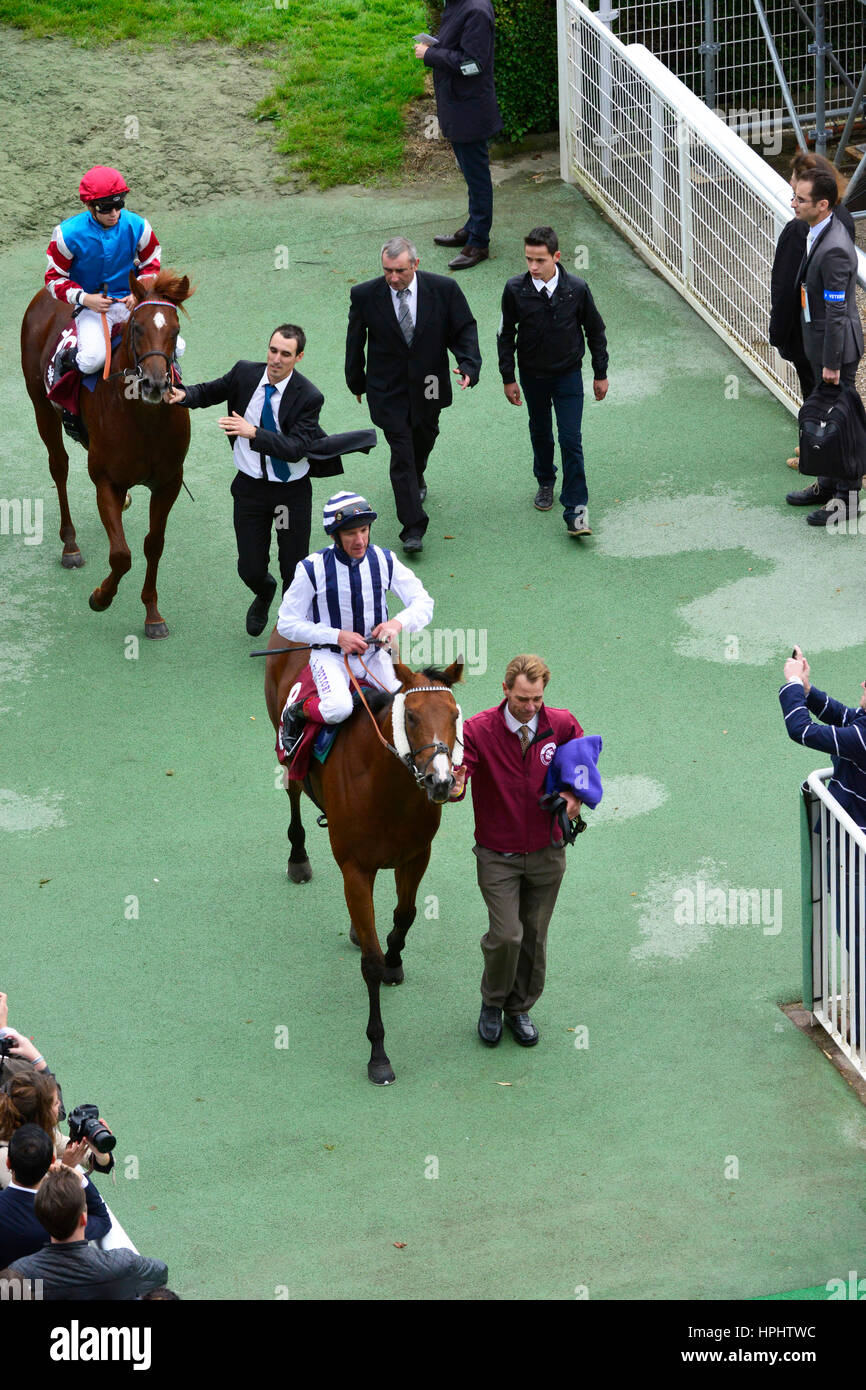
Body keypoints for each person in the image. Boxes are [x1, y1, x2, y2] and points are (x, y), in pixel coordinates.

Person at [166, 325, 355, 636]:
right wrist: (185, 394)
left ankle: (290, 626)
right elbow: (212, 390)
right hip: (250, 489)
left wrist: (253, 432)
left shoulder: (309, 397)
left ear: (299, 357)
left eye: (285, 354)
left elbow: (295, 449)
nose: (276, 359)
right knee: (250, 567)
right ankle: (264, 591)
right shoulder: (244, 373)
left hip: (290, 494)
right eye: (273, 350)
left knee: (293, 567)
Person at [449, 654, 584, 1046]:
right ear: (505, 690)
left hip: (548, 851)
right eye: (522, 699)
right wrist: (453, 785)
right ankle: (492, 1003)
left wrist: (574, 796)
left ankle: (519, 1008)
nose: (530, 708)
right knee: (507, 934)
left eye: (537, 699)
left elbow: (582, 767)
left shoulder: (561, 723)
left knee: (535, 935)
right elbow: (460, 779)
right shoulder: (476, 730)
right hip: (497, 855)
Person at [345, 237, 482, 553]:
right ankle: (413, 528)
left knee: (424, 438)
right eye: (387, 271)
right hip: (387, 391)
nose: (393, 278)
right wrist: (356, 382)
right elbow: (355, 341)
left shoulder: (444, 290)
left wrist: (469, 365)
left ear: (415, 265)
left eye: (400, 271)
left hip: (429, 388)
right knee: (402, 453)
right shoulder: (365, 295)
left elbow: (464, 329)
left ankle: (418, 476)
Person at [277, 491, 433, 749]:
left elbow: (424, 602)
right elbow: (286, 622)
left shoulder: (384, 560)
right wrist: (337, 637)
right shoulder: (311, 568)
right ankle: (297, 711)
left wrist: (396, 624)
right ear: (333, 536)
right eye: (350, 533)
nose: (360, 540)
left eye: (364, 530)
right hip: (331, 656)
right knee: (338, 709)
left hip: (375, 654)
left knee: (405, 706)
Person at [498, 226, 609, 537]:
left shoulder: (577, 289)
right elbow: (506, 335)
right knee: (541, 432)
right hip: (532, 376)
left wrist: (600, 373)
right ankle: (545, 480)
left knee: (571, 440)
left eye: (540, 260)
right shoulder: (514, 289)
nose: (533, 267)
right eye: (528, 260)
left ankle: (576, 512)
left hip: (568, 376)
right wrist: (508, 377)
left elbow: (596, 332)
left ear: (556, 257)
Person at [781, 645, 866, 1045]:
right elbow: (846, 717)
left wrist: (792, 686)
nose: (863, 683)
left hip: (855, 859)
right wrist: (810, 690)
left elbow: (802, 730)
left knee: (856, 939)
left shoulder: (865, 740)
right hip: (852, 854)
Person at [784, 168, 864, 526]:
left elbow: (835, 311)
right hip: (823, 345)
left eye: (800, 199)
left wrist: (831, 363)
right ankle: (827, 484)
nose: (793, 203)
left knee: (840, 424)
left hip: (835, 351)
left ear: (823, 204)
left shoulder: (834, 247)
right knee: (825, 417)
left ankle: (846, 499)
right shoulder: (819, 230)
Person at [769, 152, 856, 466]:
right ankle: (819, 450)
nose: (792, 200)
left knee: (821, 395)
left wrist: (778, 332)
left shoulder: (801, 231)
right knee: (831, 396)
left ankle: (833, 459)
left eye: (797, 194)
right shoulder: (841, 217)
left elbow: (785, 287)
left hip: (815, 334)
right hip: (824, 331)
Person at [416, 0, 502, 270]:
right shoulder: (458, 4)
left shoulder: (475, 10)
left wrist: (430, 55)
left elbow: (473, 65)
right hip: (458, 105)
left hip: (470, 109)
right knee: (470, 173)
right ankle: (472, 227)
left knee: (477, 176)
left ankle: (478, 243)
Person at [10, 1166, 168, 1300]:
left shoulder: (18, 1274)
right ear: (84, 1219)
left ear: (41, 1219)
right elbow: (161, 1273)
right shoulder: (123, 1264)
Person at [0, 1124, 111, 1268]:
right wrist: (79, 1178)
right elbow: (102, 1220)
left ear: (8, 1163)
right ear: (52, 1161)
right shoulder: (60, 1217)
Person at [0, 1069, 113, 1190]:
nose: (60, 1104)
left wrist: (99, 1151)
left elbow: (84, 1154)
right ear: (41, 1114)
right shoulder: (4, 1154)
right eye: (55, 1103)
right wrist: (66, 1167)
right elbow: (30, 1201)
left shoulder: (43, 1131)